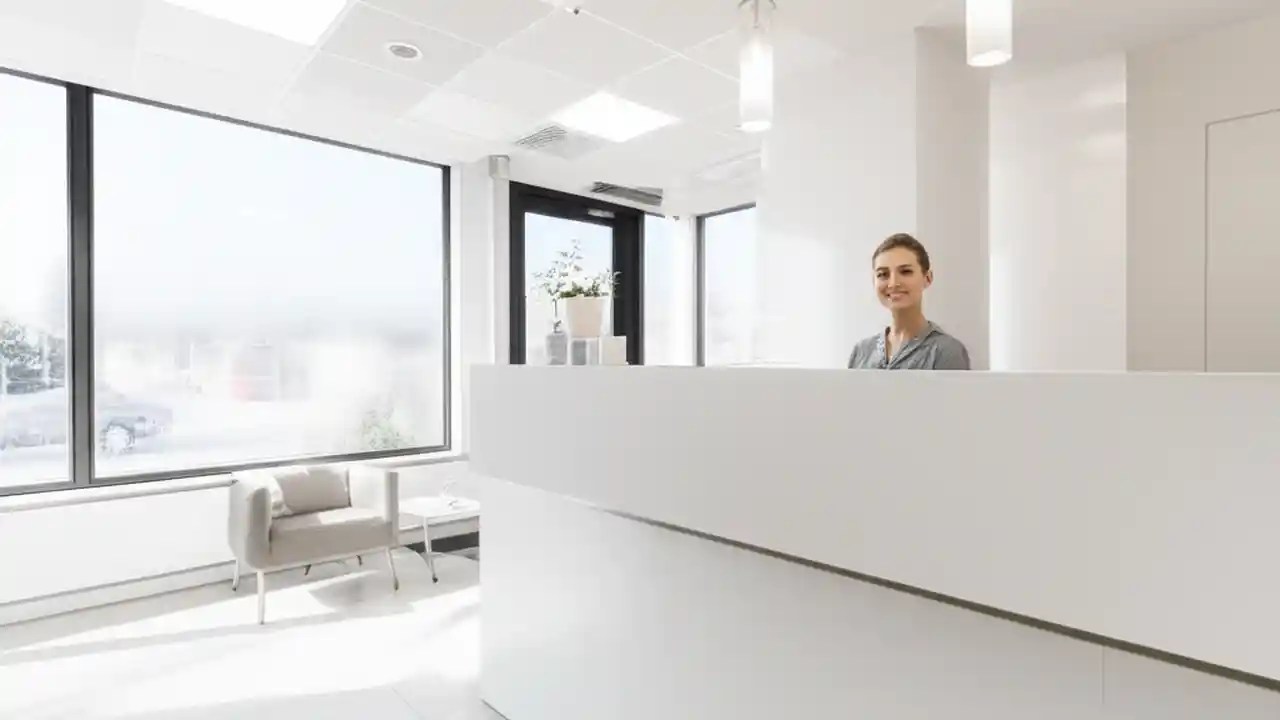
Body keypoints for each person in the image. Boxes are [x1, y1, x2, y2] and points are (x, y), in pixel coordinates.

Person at [847, 233, 971, 370]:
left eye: (905, 272)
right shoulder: (861, 352)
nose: (893, 283)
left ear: (927, 278)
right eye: (883, 274)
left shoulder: (947, 352)